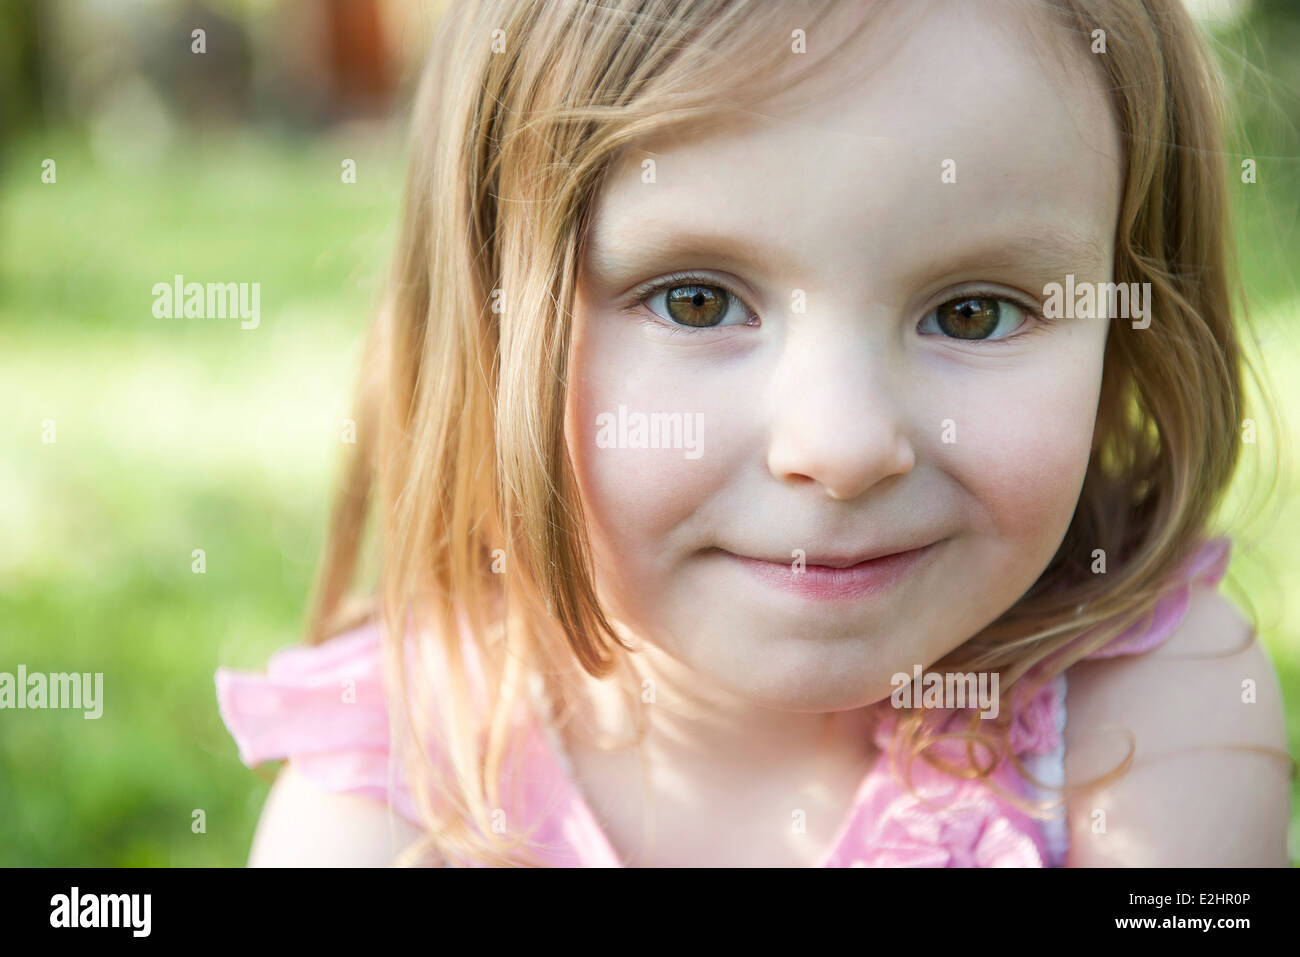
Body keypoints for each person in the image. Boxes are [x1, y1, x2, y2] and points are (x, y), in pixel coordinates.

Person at [216, 0, 1293, 867]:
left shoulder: (1147, 717)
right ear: (493, 327)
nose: (841, 444)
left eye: (972, 312)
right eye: (695, 301)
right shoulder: (401, 786)